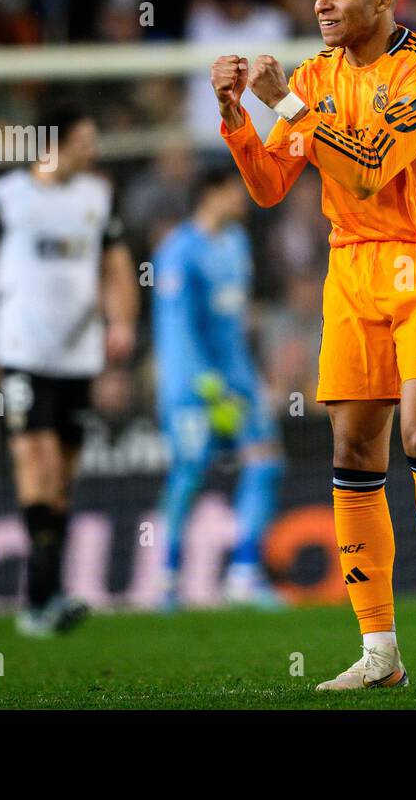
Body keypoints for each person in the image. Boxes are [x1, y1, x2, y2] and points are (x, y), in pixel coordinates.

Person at [211, 0, 416, 690]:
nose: (323, 4)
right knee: (356, 454)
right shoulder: (315, 77)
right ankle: (379, 652)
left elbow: (365, 168)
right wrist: (236, 117)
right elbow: (270, 187)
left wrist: (281, 103)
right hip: (354, 268)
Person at [0, 108, 139, 637]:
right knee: (39, 461)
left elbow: (119, 266)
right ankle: (43, 599)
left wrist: (122, 320)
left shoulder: (97, 198)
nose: (93, 151)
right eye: (86, 141)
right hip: (22, 353)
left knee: (61, 482)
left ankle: (41, 599)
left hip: (78, 358)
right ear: (59, 141)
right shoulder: (6, 197)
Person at [152, 166, 285, 610]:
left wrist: (249, 380)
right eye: (237, 191)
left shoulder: (236, 244)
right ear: (211, 193)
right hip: (192, 386)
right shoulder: (177, 251)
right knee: (189, 472)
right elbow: (179, 331)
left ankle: (244, 573)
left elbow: (236, 322)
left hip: (238, 379)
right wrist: (210, 390)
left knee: (266, 462)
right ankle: (167, 579)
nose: (245, 199)